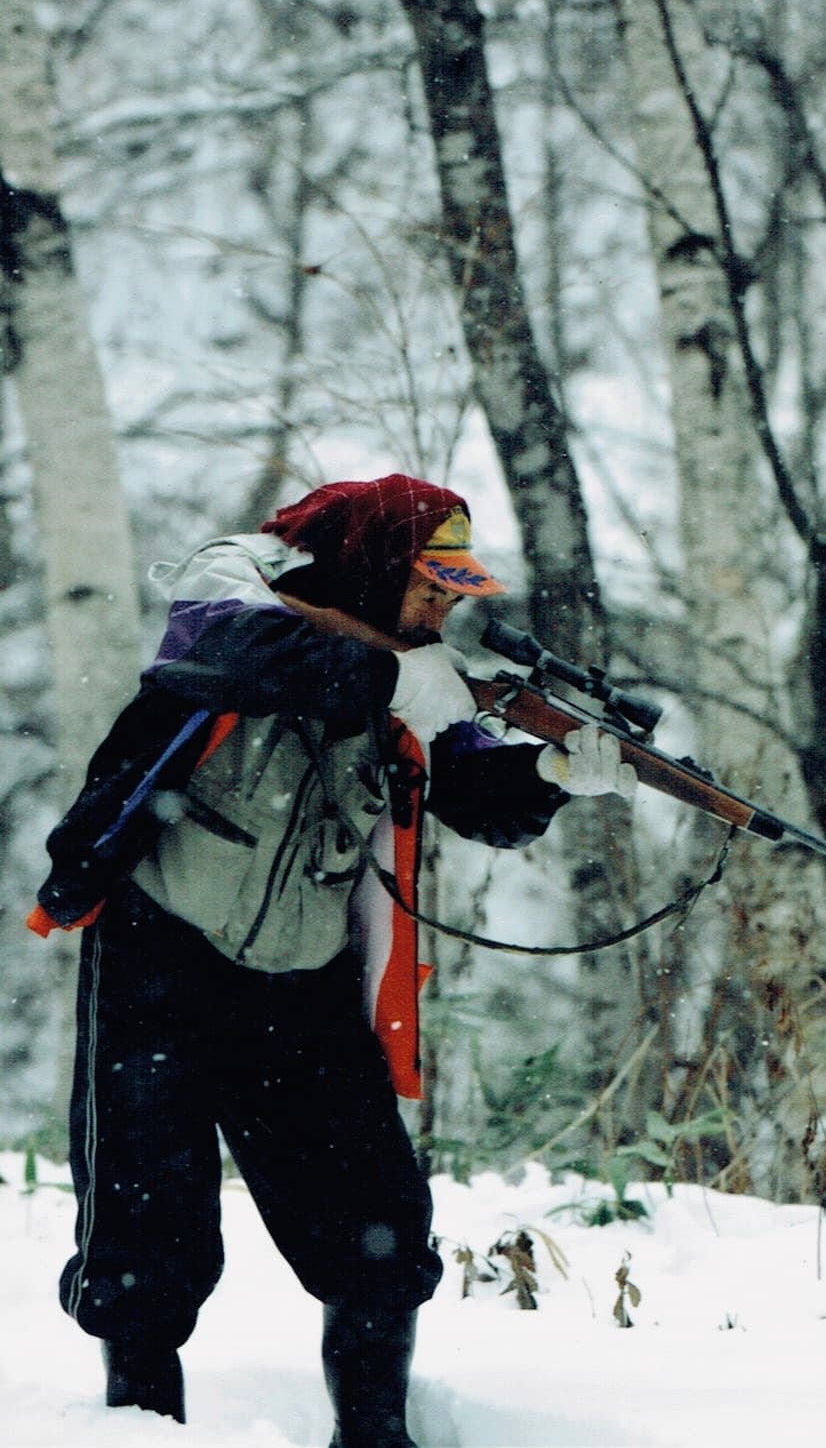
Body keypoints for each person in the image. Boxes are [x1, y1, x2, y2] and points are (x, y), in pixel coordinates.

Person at [28, 474, 635, 1446]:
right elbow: (221, 657)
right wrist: (396, 681)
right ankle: (138, 1429)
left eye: (454, 588)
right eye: (430, 582)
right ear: (374, 559)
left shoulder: (417, 660)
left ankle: (374, 1431)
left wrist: (552, 772)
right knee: (145, 1231)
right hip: (160, 954)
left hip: (304, 978)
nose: (446, 604)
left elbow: (474, 793)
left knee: (376, 1221)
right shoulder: (241, 581)